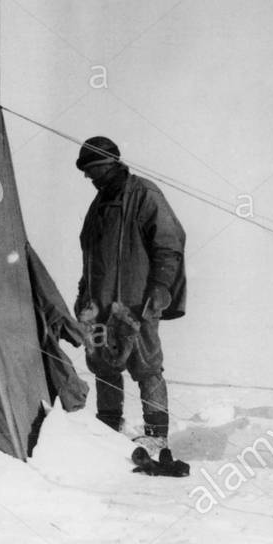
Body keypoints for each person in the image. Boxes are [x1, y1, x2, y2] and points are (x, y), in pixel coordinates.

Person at [74, 137, 186, 457]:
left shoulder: (145, 195)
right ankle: (109, 428)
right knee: (104, 366)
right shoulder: (97, 206)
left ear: (110, 165)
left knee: (147, 366)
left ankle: (156, 437)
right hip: (100, 306)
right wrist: (84, 296)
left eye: (93, 170)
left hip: (137, 303)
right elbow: (91, 257)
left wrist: (161, 287)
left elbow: (169, 244)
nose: (89, 178)